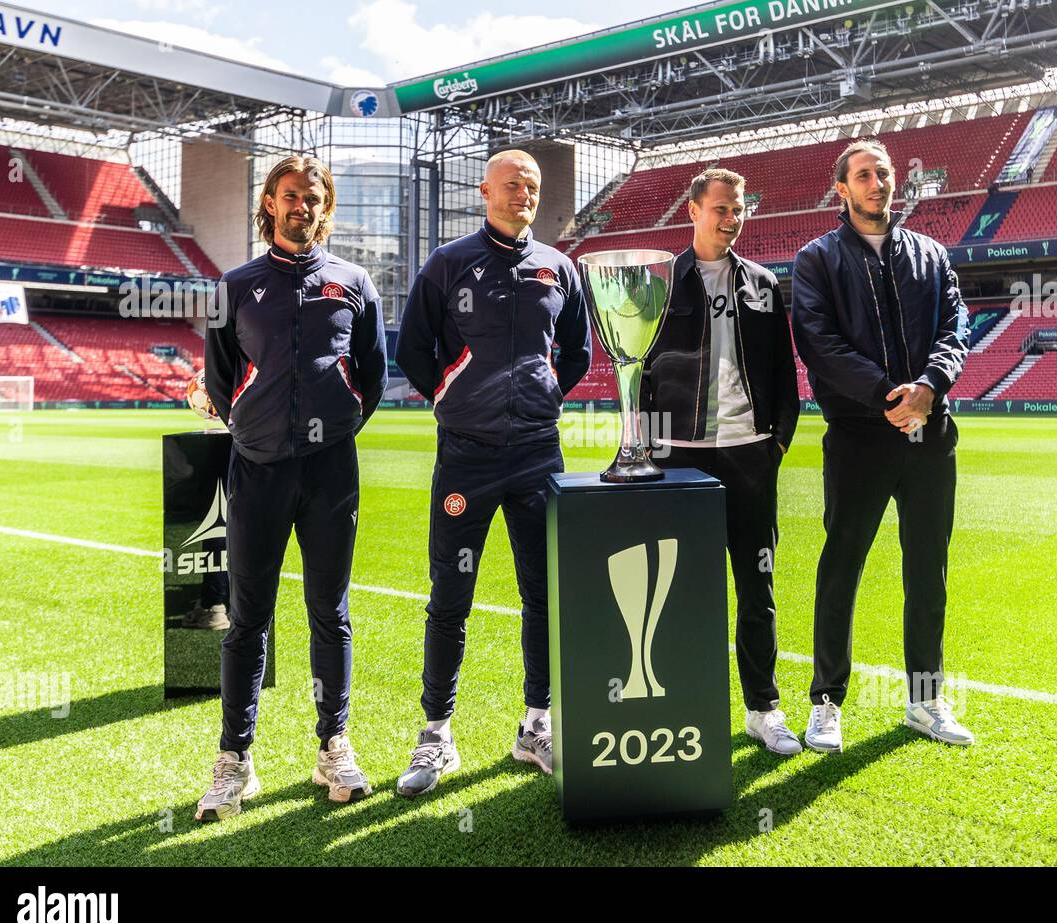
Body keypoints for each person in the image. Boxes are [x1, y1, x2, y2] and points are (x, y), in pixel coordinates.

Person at [196, 155, 388, 820]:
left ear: (324, 205)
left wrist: (330, 428)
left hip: (331, 472)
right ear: (270, 205)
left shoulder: (354, 282)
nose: (300, 206)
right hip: (257, 470)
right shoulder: (238, 285)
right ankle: (234, 759)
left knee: (329, 615)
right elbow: (220, 381)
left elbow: (372, 375)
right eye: (289, 196)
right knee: (248, 620)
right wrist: (256, 427)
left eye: (312, 196)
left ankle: (333, 745)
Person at [394, 149, 591, 796]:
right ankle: (436, 735)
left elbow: (577, 352)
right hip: (467, 457)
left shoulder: (559, 267)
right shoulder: (449, 263)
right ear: (485, 191)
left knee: (546, 593)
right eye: (511, 185)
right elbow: (411, 350)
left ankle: (537, 724)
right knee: (450, 599)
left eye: (531, 187)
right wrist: (453, 396)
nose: (522, 195)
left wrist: (544, 397)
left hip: (538, 455)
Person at [790, 139, 974, 752]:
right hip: (858, 438)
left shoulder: (931, 254)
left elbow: (956, 326)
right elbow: (818, 342)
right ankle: (825, 703)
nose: (877, 183)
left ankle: (925, 700)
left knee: (929, 571)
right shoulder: (817, 260)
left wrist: (928, 387)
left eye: (884, 173)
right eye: (864, 175)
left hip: (931, 434)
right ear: (841, 189)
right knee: (841, 566)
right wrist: (884, 394)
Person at [639, 167, 801, 754]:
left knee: (757, 590)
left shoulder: (761, 282)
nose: (732, 219)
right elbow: (643, 376)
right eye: (722, 209)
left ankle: (764, 709)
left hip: (750, 459)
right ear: (693, 210)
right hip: (681, 461)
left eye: (739, 209)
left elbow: (784, 371)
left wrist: (776, 441)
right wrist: (651, 452)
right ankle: (688, 707)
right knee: (681, 592)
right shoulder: (659, 282)